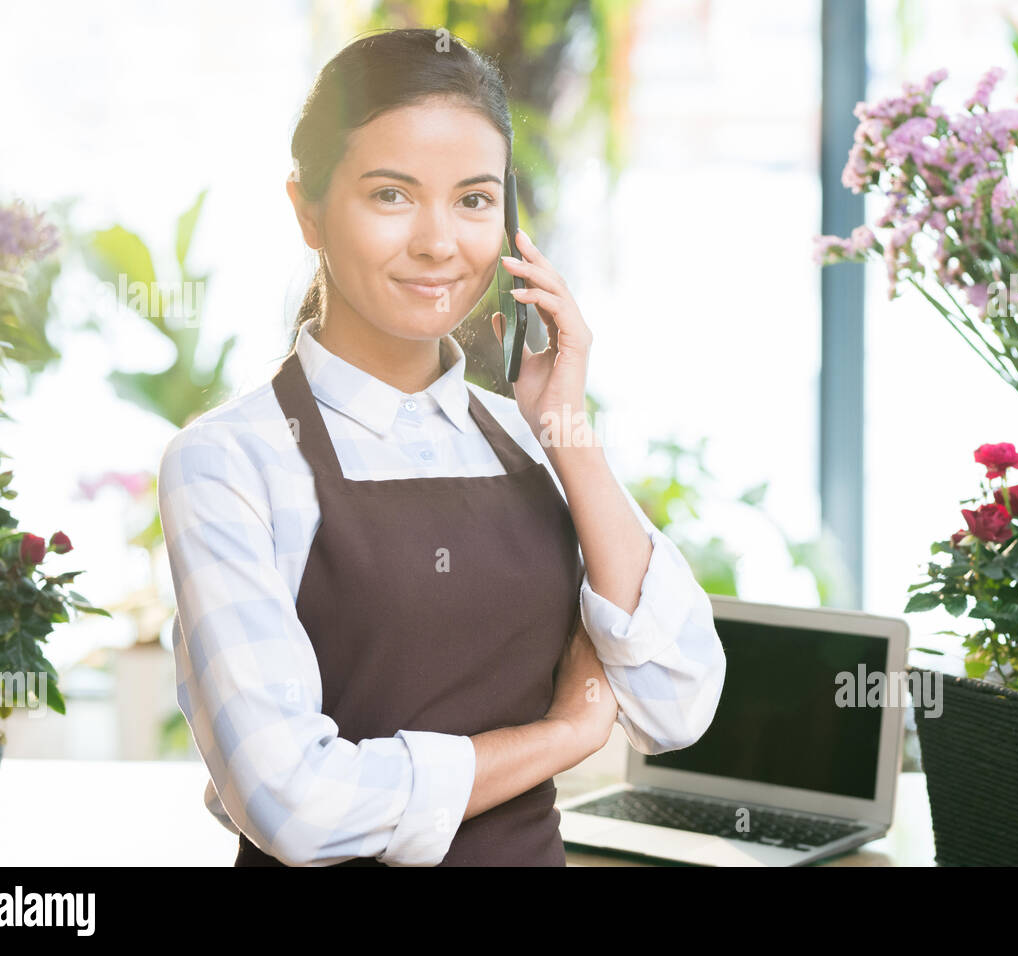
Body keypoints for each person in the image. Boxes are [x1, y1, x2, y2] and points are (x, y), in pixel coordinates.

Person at [157, 27, 725, 867]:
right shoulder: (230, 462)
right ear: (306, 209)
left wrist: (566, 429)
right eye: (391, 195)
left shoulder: (531, 441)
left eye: (473, 200)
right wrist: (564, 735)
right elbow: (295, 804)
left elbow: (678, 700)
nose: (438, 243)